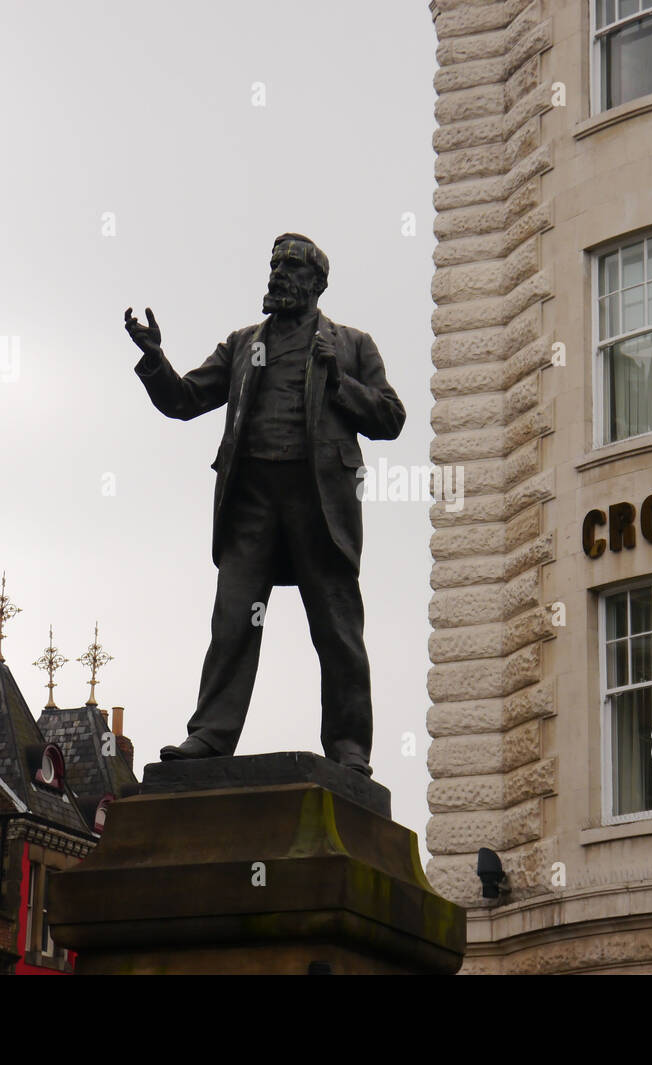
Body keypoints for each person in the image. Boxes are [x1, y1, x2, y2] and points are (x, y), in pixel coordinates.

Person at [124, 233, 405, 776]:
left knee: (336, 627)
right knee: (233, 620)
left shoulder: (350, 344)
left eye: (291, 268)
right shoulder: (242, 344)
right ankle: (209, 735)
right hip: (252, 500)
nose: (278, 275)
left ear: (317, 284)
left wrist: (340, 381)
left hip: (318, 500)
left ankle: (348, 747)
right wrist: (156, 360)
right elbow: (185, 401)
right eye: (274, 265)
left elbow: (391, 419)